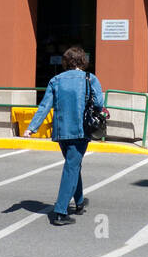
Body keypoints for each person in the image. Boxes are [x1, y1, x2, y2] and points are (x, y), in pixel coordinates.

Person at [24, 45, 104, 226]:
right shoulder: (90, 79)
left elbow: (45, 106)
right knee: (71, 166)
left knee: (73, 164)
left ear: (67, 62)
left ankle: (80, 201)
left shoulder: (56, 80)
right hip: (81, 130)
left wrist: (32, 127)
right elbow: (99, 102)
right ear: (83, 61)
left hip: (61, 131)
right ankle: (60, 211)